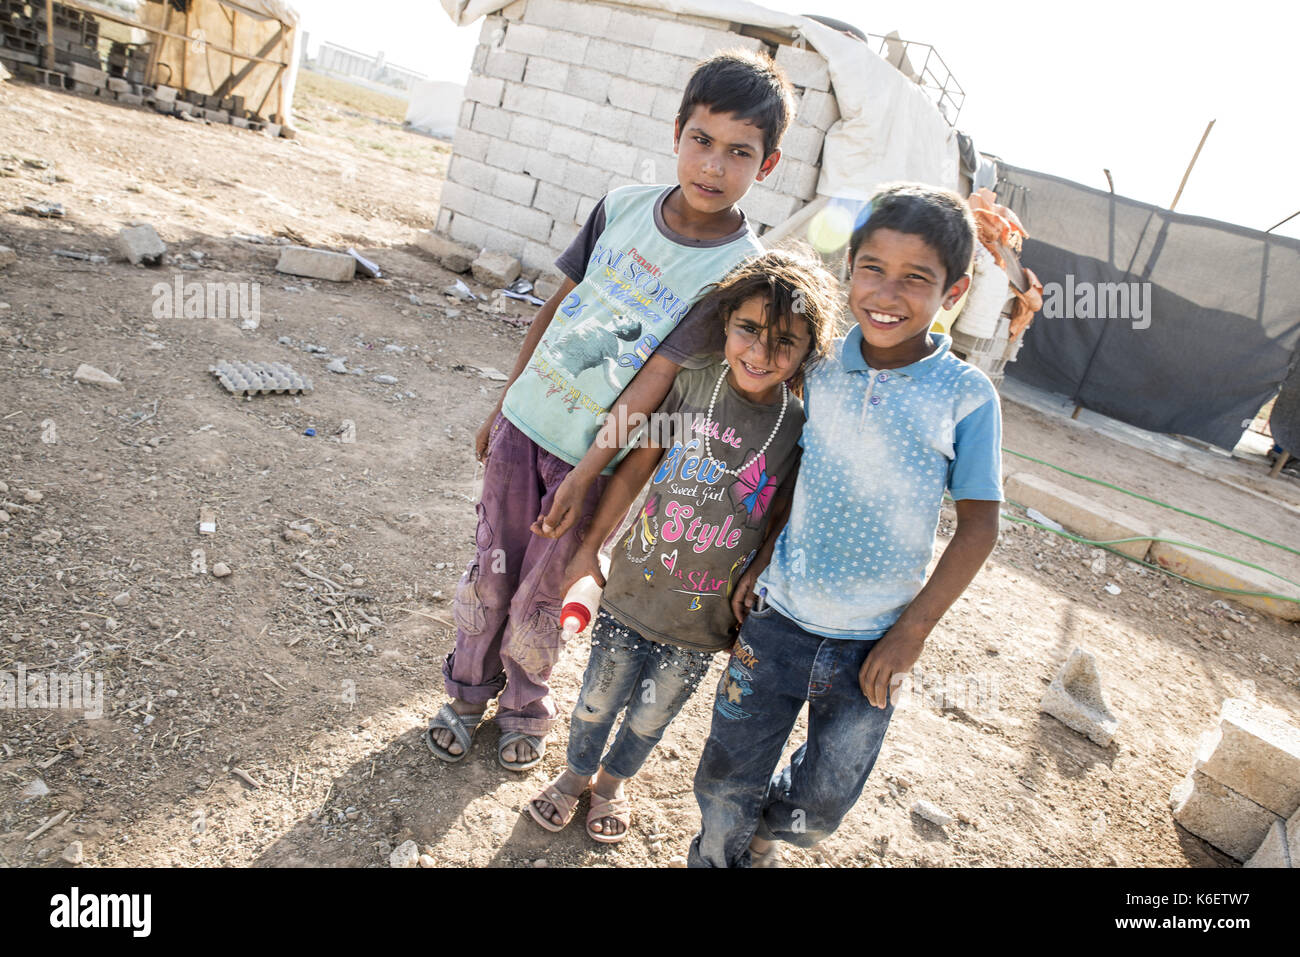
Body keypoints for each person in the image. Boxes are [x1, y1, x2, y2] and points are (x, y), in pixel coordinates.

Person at [427, 50, 797, 772]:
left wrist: (588, 468)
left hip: (594, 457)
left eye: (738, 153)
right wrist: (504, 402)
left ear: (769, 164)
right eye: (702, 140)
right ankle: (467, 689)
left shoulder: (733, 270)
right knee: (492, 566)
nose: (714, 166)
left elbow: (657, 377)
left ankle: (524, 706)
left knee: (545, 586)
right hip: (523, 426)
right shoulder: (621, 206)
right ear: (676, 131)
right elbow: (559, 304)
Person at [688, 183, 1005, 867]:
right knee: (725, 773)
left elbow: (979, 528)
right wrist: (763, 557)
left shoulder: (966, 396)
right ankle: (717, 855)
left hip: (873, 643)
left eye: (916, 278)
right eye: (873, 269)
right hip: (781, 615)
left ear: (954, 290)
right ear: (850, 266)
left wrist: (910, 632)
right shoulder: (824, 366)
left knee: (825, 797)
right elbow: (802, 463)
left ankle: (768, 841)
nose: (888, 293)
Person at [525, 250, 839, 841]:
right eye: (748, 330)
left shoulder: (798, 426)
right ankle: (572, 778)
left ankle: (612, 786)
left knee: (652, 713)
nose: (760, 353)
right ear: (726, 323)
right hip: (633, 588)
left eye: (783, 343)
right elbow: (637, 467)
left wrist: (759, 573)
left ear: (804, 355)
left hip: (706, 613)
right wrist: (589, 547)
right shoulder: (695, 385)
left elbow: (781, 513)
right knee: (597, 696)